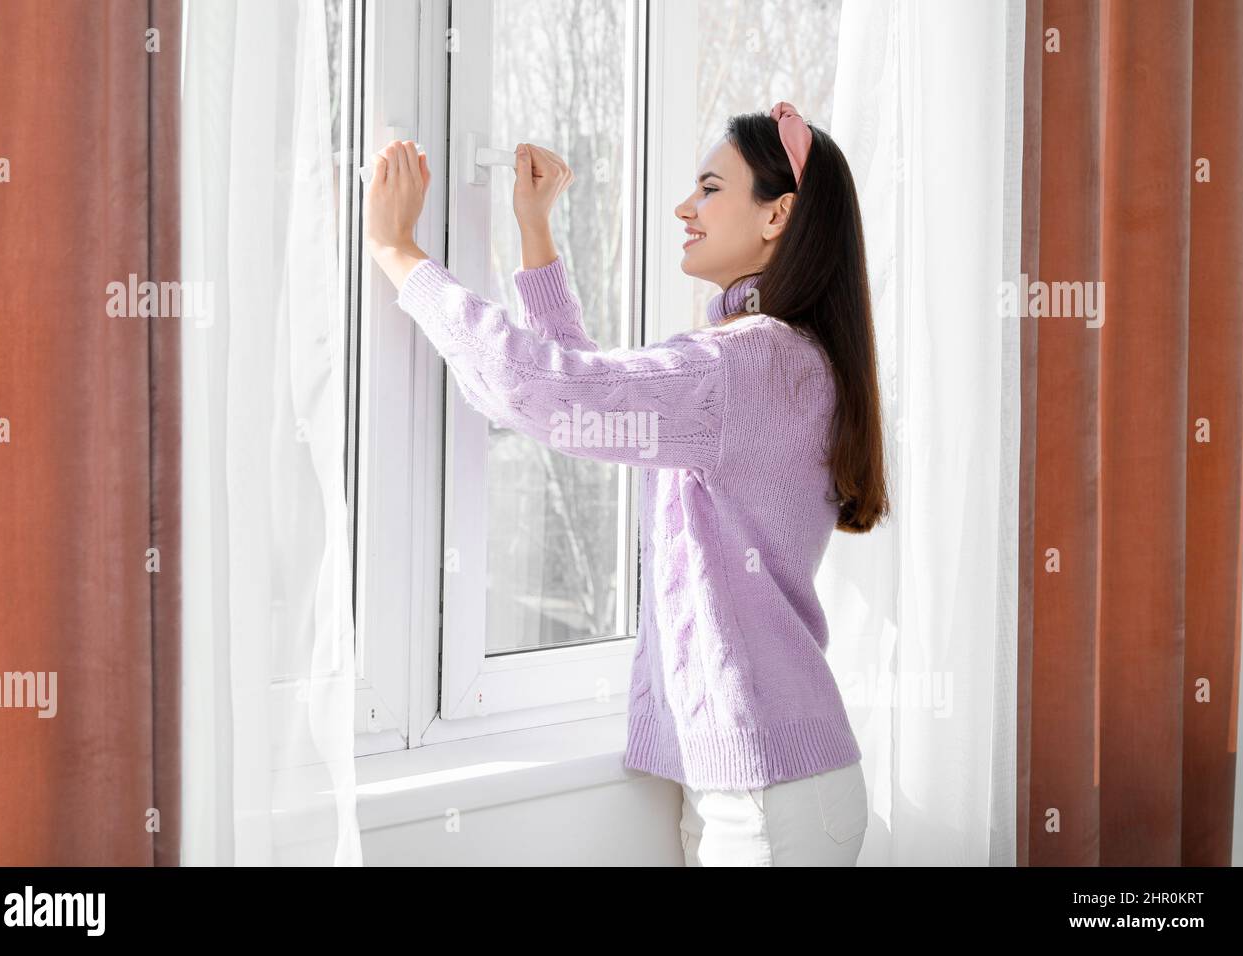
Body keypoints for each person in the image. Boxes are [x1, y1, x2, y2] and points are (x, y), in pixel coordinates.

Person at [364, 101, 889, 866]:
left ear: (777, 216)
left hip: (768, 797)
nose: (685, 206)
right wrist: (537, 235)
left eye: (710, 188)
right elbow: (586, 408)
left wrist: (398, 253)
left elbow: (549, 394)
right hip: (760, 784)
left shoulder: (749, 361)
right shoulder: (766, 360)